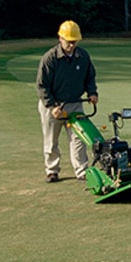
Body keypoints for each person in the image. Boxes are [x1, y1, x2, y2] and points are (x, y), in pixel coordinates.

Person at [36, 20, 99, 182]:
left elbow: (90, 76)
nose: (71, 45)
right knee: (51, 140)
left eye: (74, 42)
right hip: (54, 105)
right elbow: (42, 85)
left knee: (78, 139)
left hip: (75, 103)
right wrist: (51, 106)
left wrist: (92, 92)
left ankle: (82, 171)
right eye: (69, 42)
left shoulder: (83, 56)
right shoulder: (50, 59)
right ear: (60, 38)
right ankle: (52, 170)